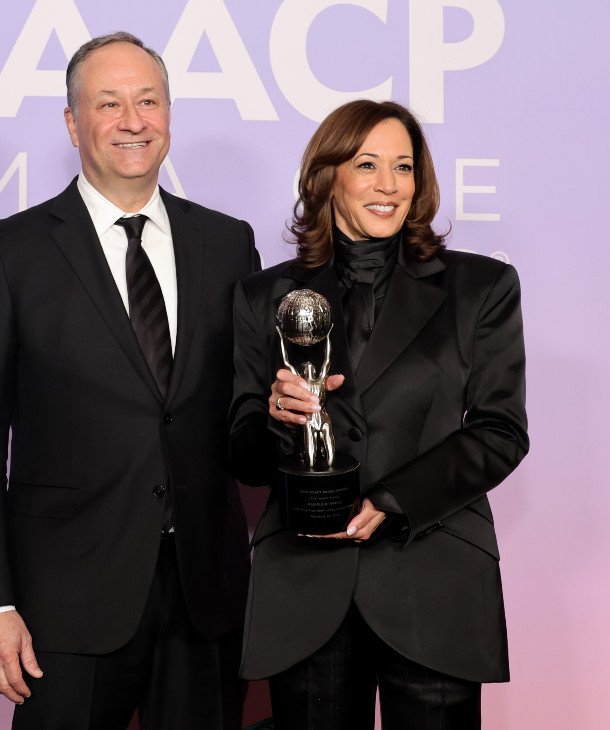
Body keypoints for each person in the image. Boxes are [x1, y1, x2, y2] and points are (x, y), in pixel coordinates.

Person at [0, 31, 259, 730]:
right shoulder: (9, 255)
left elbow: (241, 416)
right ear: (72, 122)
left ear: (169, 114)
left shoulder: (227, 243)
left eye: (148, 101)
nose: (133, 121)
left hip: (206, 598)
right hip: (66, 606)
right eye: (109, 103)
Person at [228, 100, 529, 729]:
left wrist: (390, 501)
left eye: (403, 166)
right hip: (306, 589)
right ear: (326, 176)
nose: (389, 184)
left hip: (434, 577)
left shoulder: (480, 289)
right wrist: (280, 424)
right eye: (367, 165)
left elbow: (501, 433)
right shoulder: (266, 298)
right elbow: (244, 457)